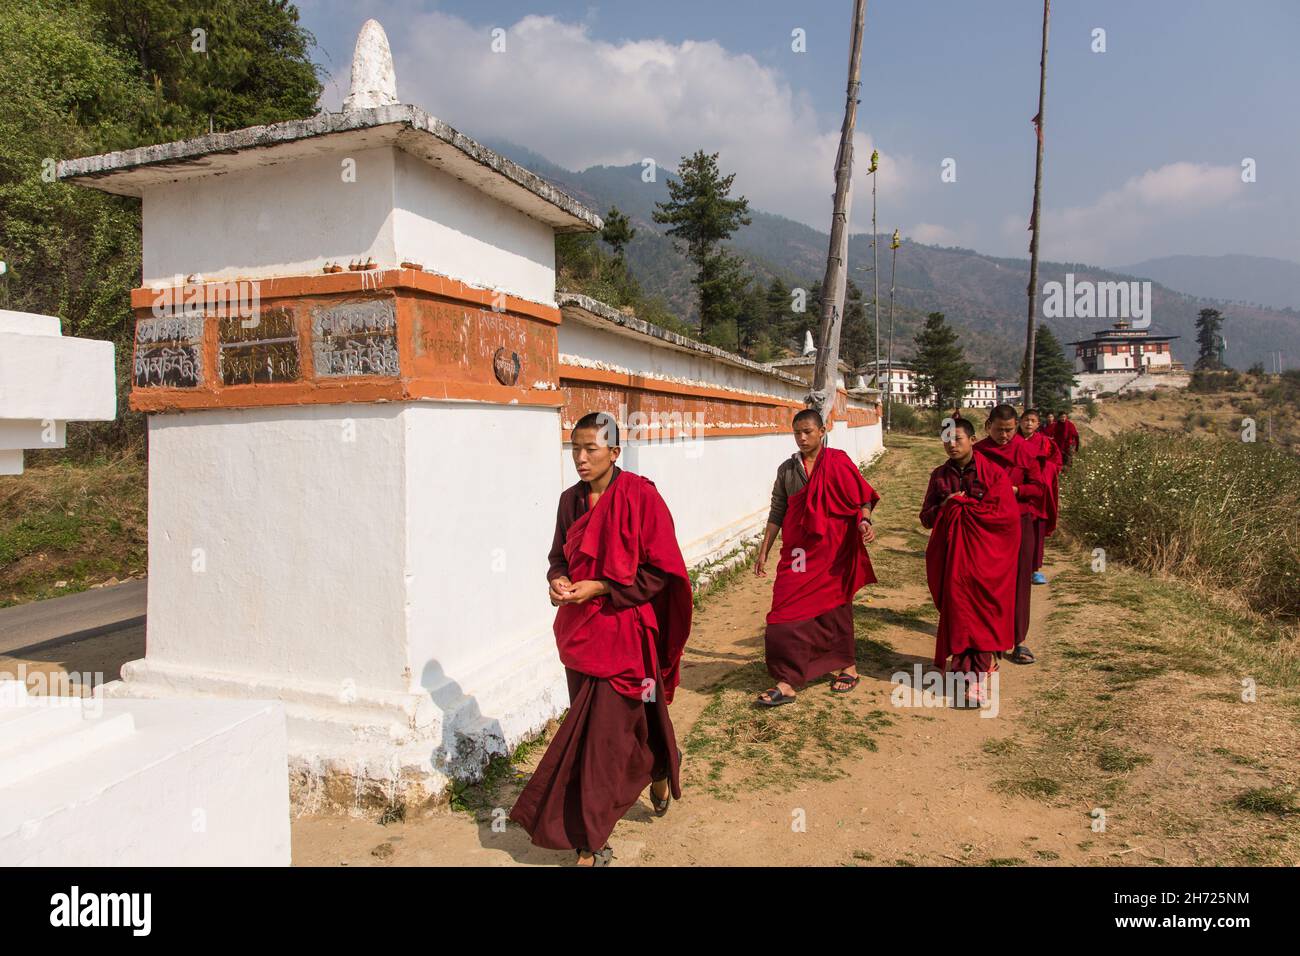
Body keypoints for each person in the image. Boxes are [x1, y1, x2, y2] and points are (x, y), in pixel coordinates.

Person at [509, 412, 692, 866]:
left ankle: (590, 843)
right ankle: (659, 765)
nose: (581, 459)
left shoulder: (641, 497)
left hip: (627, 632)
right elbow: (558, 558)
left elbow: (661, 571)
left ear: (614, 452)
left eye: (592, 450)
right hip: (582, 633)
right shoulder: (569, 502)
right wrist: (558, 582)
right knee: (617, 731)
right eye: (576, 449)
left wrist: (605, 587)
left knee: (599, 742)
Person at [754, 408, 879, 705]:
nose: (802, 437)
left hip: (834, 552)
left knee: (833, 610)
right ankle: (787, 679)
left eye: (808, 431)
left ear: (822, 431)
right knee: (783, 616)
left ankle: (846, 666)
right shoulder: (787, 469)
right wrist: (764, 551)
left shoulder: (838, 462)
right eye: (797, 432)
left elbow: (862, 497)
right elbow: (778, 511)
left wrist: (864, 520)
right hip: (798, 553)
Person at [920, 418, 1020, 706]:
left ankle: (976, 677)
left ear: (973, 440)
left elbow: (1007, 519)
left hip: (986, 559)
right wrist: (947, 505)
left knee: (983, 614)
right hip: (953, 560)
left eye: (958, 438)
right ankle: (973, 670)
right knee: (961, 614)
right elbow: (926, 518)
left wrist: (970, 509)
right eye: (946, 439)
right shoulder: (939, 476)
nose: (951, 444)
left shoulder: (993, 474)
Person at [973, 405, 1045, 664]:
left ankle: (1019, 641)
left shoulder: (1026, 451)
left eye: (1009, 430)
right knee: (987, 583)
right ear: (988, 425)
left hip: (1019, 521)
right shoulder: (978, 452)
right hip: (986, 525)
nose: (1004, 436)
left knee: (1019, 582)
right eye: (999, 430)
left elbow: (1038, 488)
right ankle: (989, 639)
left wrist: (1015, 491)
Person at [1018, 408, 1062, 585]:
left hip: (1040, 493)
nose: (1029, 423)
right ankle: (1015, 568)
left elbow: (1056, 463)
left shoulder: (1045, 442)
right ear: (1019, 422)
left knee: (1036, 531)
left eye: (1032, 421)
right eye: (1026, 420)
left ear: (1038, 424)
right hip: (1019, 491)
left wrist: (1045, 473)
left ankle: (1034, 569)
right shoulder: (1013, 441)